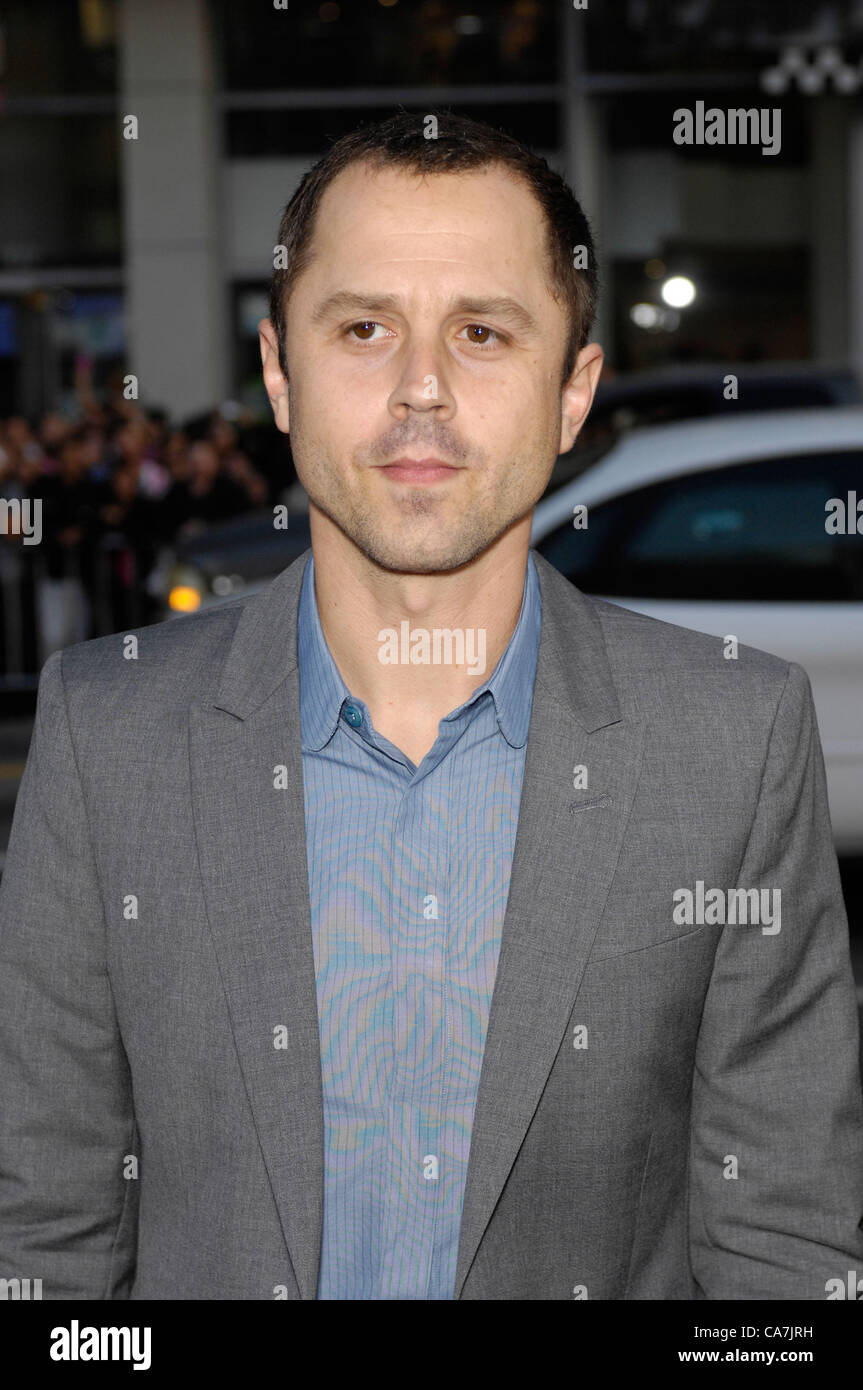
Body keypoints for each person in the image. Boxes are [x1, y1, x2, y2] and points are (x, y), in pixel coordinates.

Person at [0, 109, 861, 1302]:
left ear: (572, 393)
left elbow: (781, 1248)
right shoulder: (107, 732)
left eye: (481, 332)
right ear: (277, 375)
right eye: (362, 328)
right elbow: (42, 1240)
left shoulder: (734, 738)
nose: (420, 388)